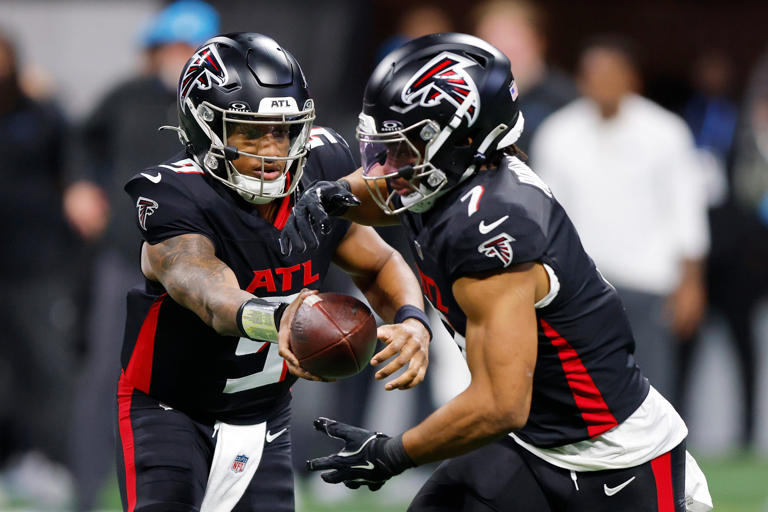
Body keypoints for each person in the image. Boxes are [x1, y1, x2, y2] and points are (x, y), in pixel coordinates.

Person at [279, 33, 712, 512]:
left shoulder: (492, 227)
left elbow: (501, 403)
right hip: (533, 443)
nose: (386, 166)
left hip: (613, 462)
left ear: (464, 140)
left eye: (404, 147)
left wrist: (391, 452)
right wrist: (328, 194)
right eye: (384, 146)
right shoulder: (451, 176)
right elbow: (381, 189)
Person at [115, 32, 431, 512]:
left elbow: (381, 260)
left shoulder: (320, 171)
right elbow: (207, 291)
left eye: (282, 130)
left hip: (265, 416)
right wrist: (274, 318)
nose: (272, 150)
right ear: (207, 131)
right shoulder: (176, 196)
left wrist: (411, 319)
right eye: (250, 132)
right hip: (170, 409)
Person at [62, 2, 220, 509]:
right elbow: (80, 142)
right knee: (106, 374)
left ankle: (213, 489)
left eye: (186, 48)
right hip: (125, 259)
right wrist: (80, 185)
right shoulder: (126, 96)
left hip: (201, 264)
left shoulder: (221, 106)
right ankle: (84, 493)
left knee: (206, 377)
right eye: (168, 47)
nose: (175, 57)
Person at [530, 36, 710, 401]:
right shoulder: (558, 134)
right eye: (593, 74)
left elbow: (685, 212)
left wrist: (691, 283)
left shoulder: (666, 132)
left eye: (612, 73)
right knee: (589, 395)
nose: (602, 81)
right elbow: (544, 217)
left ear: (632, 78)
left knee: (654, 392)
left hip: (651, 282)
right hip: (583, 285)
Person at [0, 29, 78, 505]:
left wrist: (48, 100)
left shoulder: (39, 115)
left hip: (37, 267)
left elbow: (72, 158)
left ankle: (44, 461)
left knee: (45, 369)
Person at [472, 0, 578, 154]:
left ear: (539, 42)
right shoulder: (468, 102)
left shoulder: (566, 99)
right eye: (491, 39)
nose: (503, 48)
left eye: (513, 37)